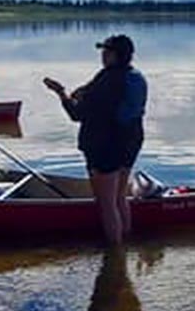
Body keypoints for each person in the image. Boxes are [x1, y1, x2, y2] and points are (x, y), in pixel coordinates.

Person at [43, 34, 147, 245]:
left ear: (116, 55)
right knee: (119, 197)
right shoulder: (134, 76)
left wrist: (61, 93)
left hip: (105, 145)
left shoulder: (109, 81)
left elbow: (77, 114)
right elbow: (95, 92)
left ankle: (115, 256)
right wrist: (83, 91)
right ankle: (126, 239)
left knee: (106, 203)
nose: (103, 55)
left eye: (107, 52)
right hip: (131, 141)